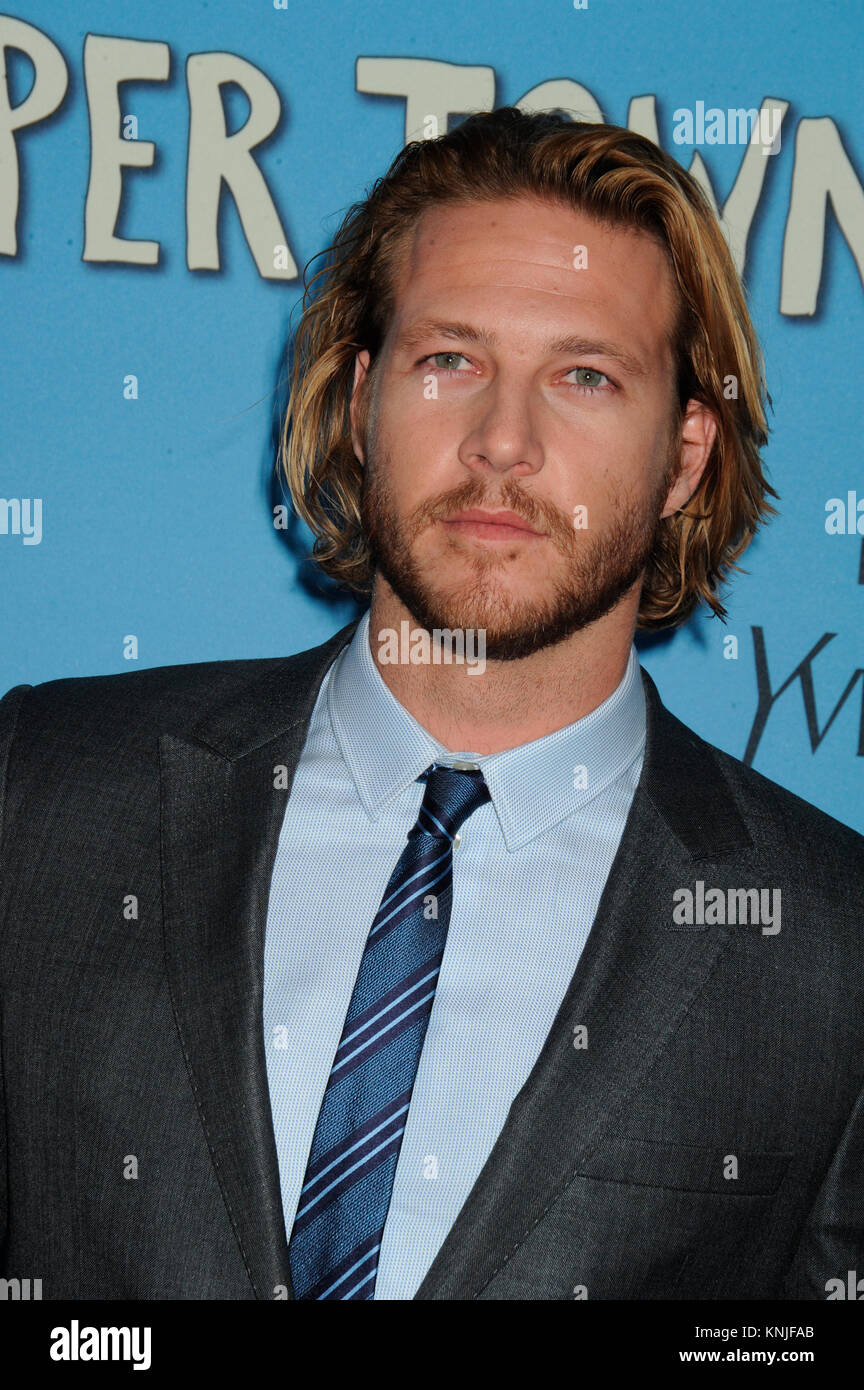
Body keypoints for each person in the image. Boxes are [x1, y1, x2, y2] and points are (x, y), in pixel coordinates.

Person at [1, 108, 862, 1302]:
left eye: (586, 376)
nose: (502, 442)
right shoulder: (40, 792)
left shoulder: (833, 948)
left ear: (683, 458)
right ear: (360, 402)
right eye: (449, 359)